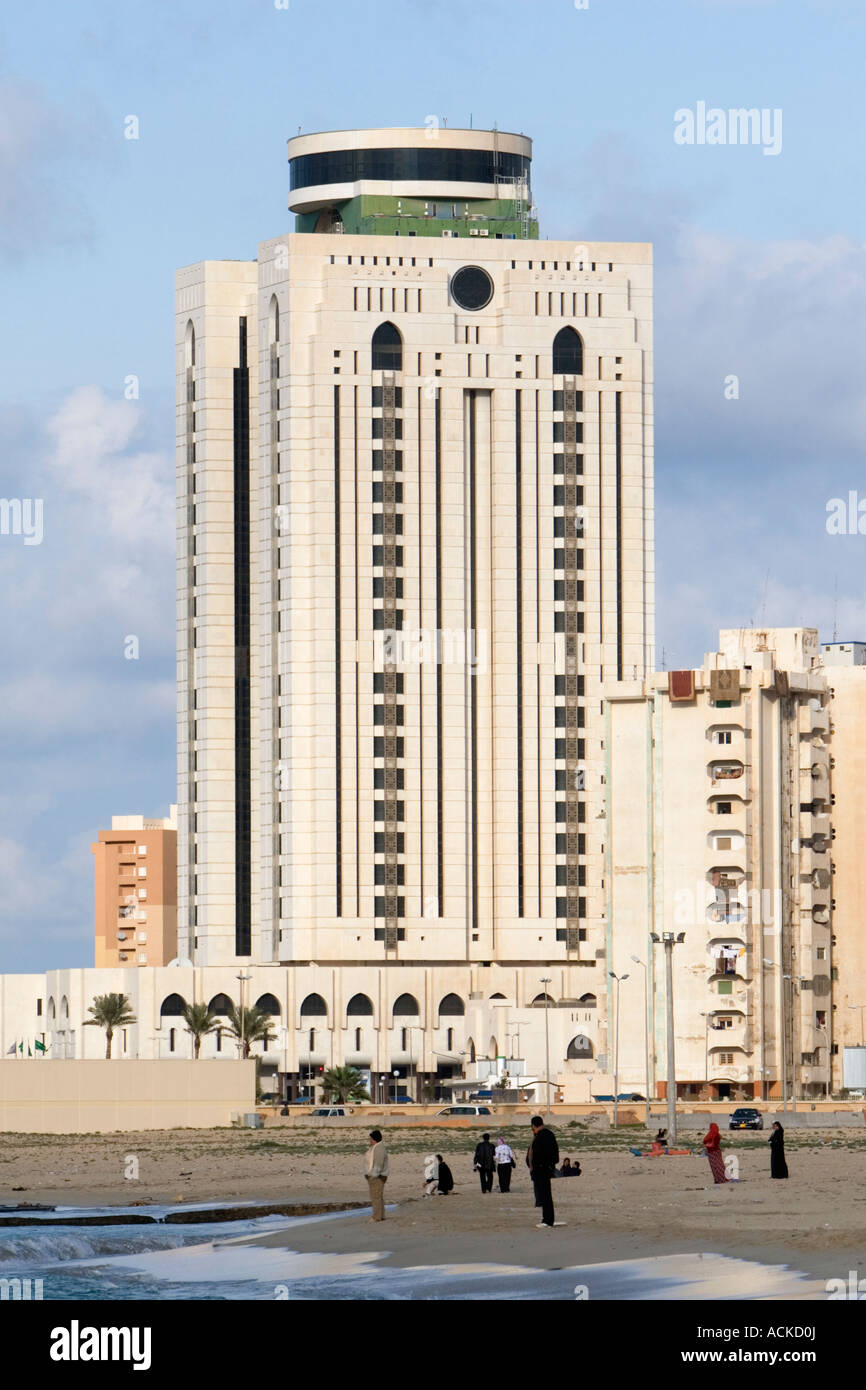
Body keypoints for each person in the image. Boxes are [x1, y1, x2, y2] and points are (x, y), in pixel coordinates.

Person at [530, 1115, 562, 1228]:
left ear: (534, 1125)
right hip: (544, 1168)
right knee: (545, 1194)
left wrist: (542, 1165)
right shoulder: (548, 1134)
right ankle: (548, 1219)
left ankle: (547, 1220)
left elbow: (539, 1154)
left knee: (545, 1195)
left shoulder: (541, 1136)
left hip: (541, 1169)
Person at [365, 1129, 390, 1220]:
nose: (369, 1140)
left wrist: (373, 1176)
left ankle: (376, 1217)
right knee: (377, 1196)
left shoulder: (379, 1148)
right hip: (376, 1176)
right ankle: (381, 1216)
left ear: (374, 1139)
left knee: (376, 1197)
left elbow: (378, 1164)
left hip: (377, 1176)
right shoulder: (376, 1147)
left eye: (371, 1139)